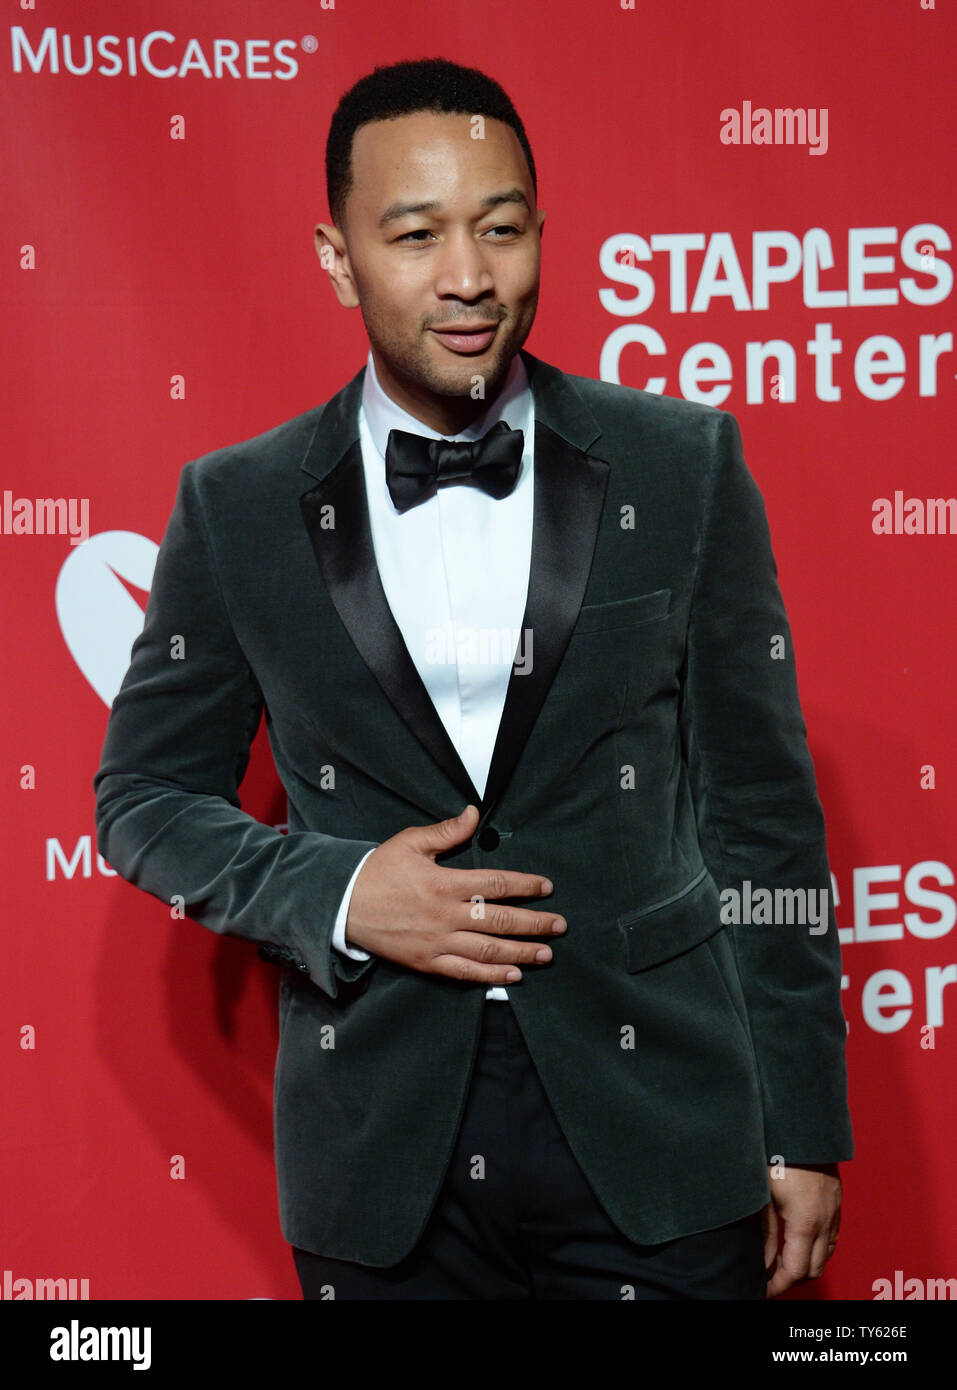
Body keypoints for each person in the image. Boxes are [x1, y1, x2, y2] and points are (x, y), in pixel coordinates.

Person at [93, 56, 853, 1300]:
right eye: (416, 234)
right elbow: (143, 800)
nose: (468, 277)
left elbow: (764, 822)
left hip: (661, 1135)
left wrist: (801, 1122)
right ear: (338, 257)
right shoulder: (236, 506)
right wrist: (341, 892)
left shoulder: (683, 464)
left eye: (501, 229)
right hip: (382, 1159)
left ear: (541, 233)